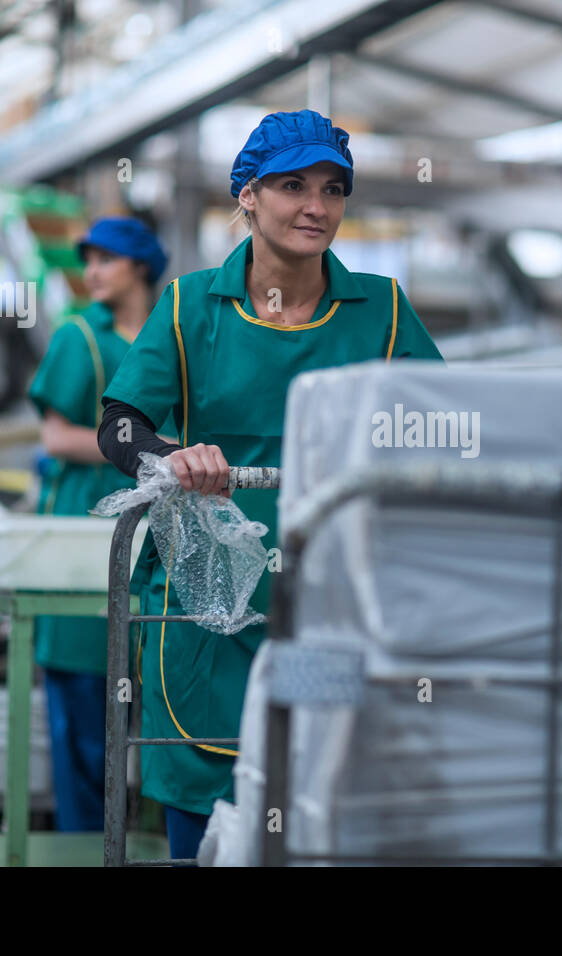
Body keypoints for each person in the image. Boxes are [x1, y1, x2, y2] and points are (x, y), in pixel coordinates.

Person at [98, 109, 443, 860]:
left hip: (336, 599)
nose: (316, 207)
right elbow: (120, 425)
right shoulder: (191, 307)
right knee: (209, 805)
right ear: (248, 195)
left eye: (333, 188)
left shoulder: (383, 312)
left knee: (324, 795)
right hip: (208, 608)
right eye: (293, 186)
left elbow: (442, 429)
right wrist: (172, 458)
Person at [26, 216, 172, 832]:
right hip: (83, 535)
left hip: (160, 533)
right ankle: (84, 845)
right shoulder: (79, 336)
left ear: (141, 265)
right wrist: (152, 451)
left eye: (105, 259)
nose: (90, 273)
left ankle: (152, 837)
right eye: (86, 260)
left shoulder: (174, 334)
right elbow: (55, 435)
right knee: (85, 710)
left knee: (159, 702)